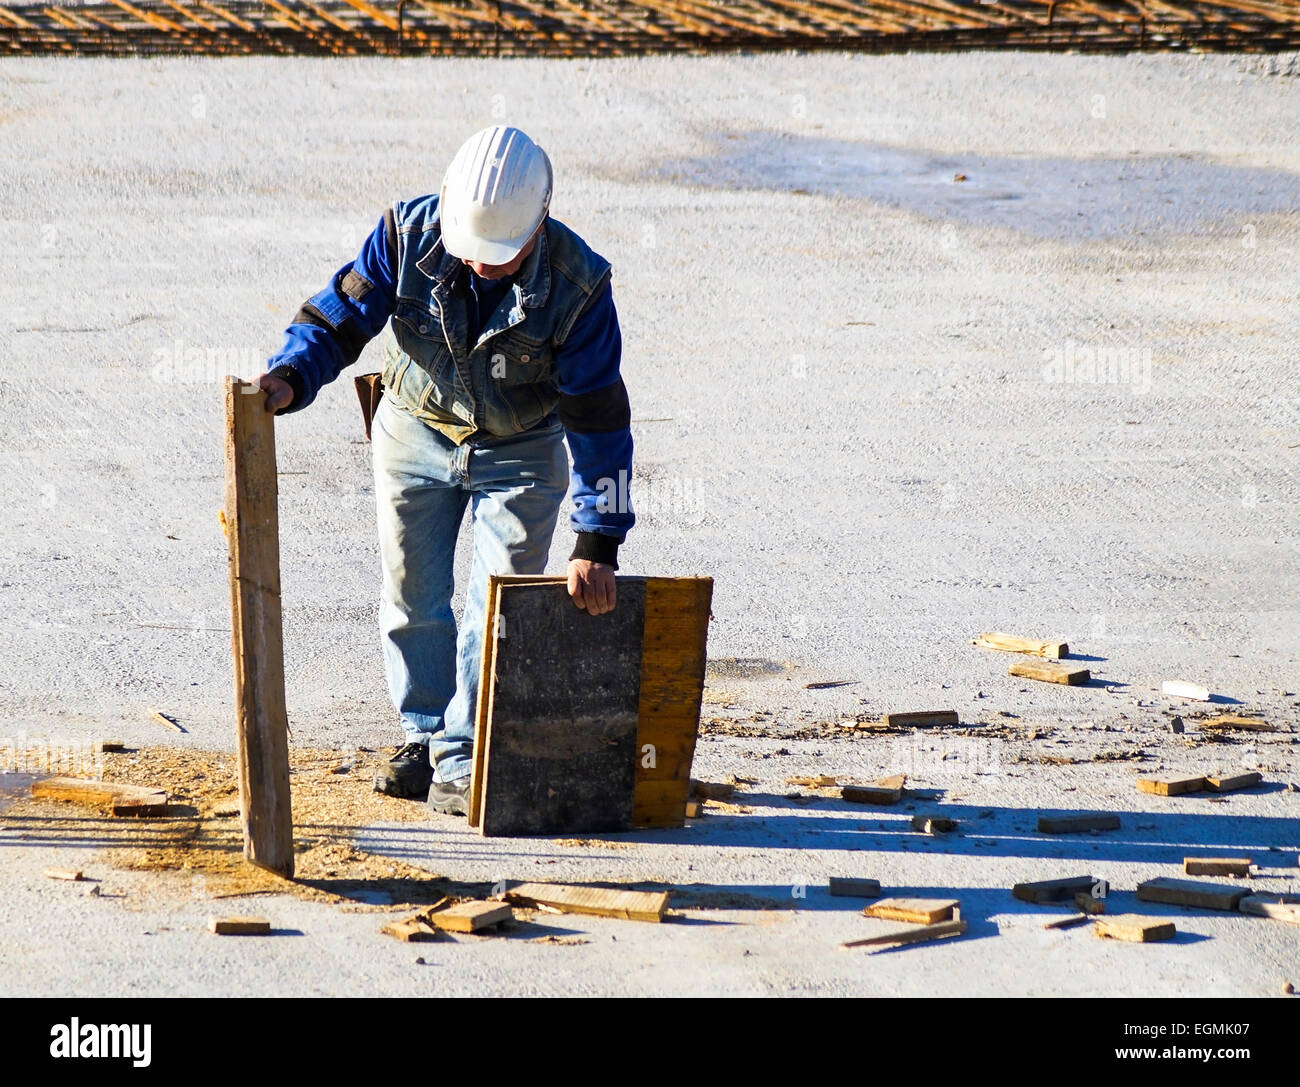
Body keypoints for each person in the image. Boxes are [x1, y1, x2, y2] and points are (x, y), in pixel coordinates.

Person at [255, 125, 634, 816]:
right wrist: (291, 375)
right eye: (474, 249)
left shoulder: (579, 286)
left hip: (522, 447)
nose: (484, 265)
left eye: (503, 253)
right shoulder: (408, 233)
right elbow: (342, 314)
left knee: (497, 605)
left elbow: (600, 423)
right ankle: (424, 735)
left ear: (539, 222)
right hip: (414, 424)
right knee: (410, 591)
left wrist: (597, 541)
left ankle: (465, 756)